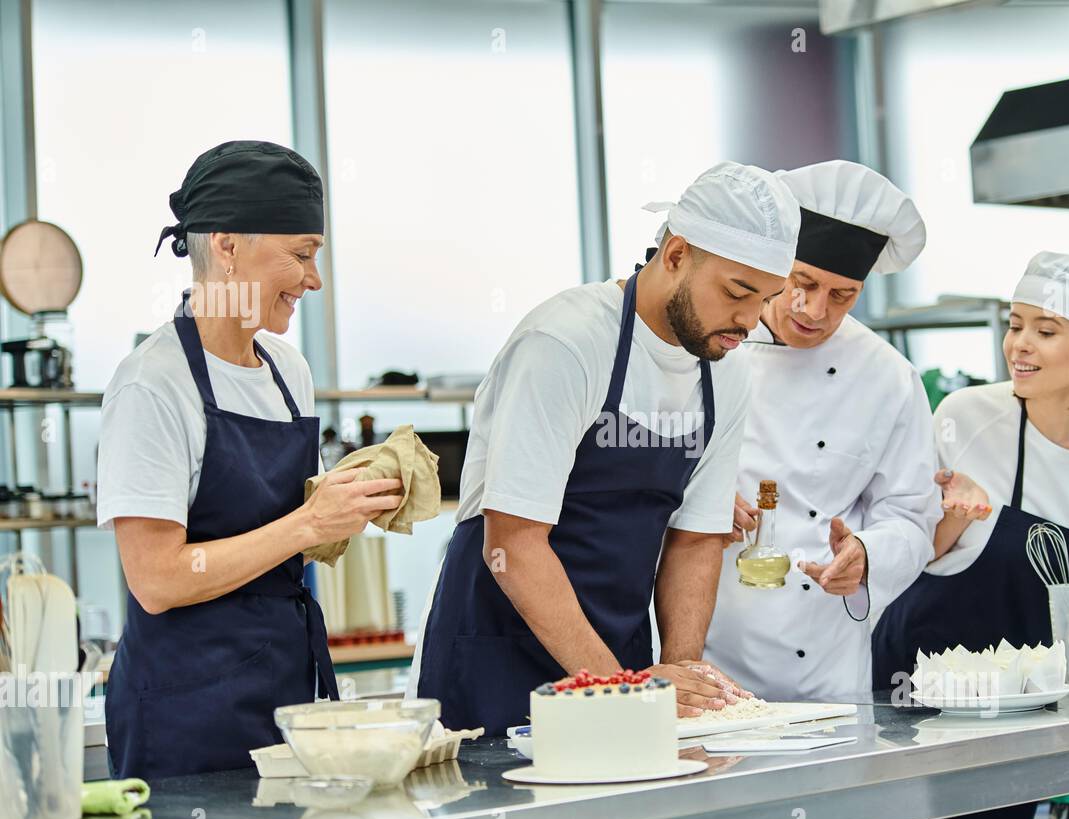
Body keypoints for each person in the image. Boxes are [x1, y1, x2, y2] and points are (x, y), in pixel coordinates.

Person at [409, 162, 801, 734]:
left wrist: (681, 672)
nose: (749, 320)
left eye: (766, 298)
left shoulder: (725, 372)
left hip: (619, 657)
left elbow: (695, 538)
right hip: (498, 652)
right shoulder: (566, 343)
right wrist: (619, 688)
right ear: (675, 255)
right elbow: (514, 544)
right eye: (737, 292)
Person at [100, 141, 403, 778]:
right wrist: (309, 524)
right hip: (188, 712)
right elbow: (155, 581)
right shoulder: (152, 385)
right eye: (301, 254)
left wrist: (354, 501)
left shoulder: (288, 372)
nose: (314, 281)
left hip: (289, 697)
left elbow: (285, 537)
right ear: (228, 245)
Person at [870, 251, 1069, 819]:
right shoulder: (964, 417)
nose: (1020, 346)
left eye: (1045, 330)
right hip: (920, 681)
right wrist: (956, 512)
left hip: (1025, 698)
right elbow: (913, 559)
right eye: (1015, 325)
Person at [704, 160, 936, 705]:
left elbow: (911, 513)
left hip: (825, 661)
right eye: (803, 283)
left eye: (842, 295)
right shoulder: (707, 348)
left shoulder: (887, 376)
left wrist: (868, 552)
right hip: (704, 644)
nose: (815, 310)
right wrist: (696, 502)